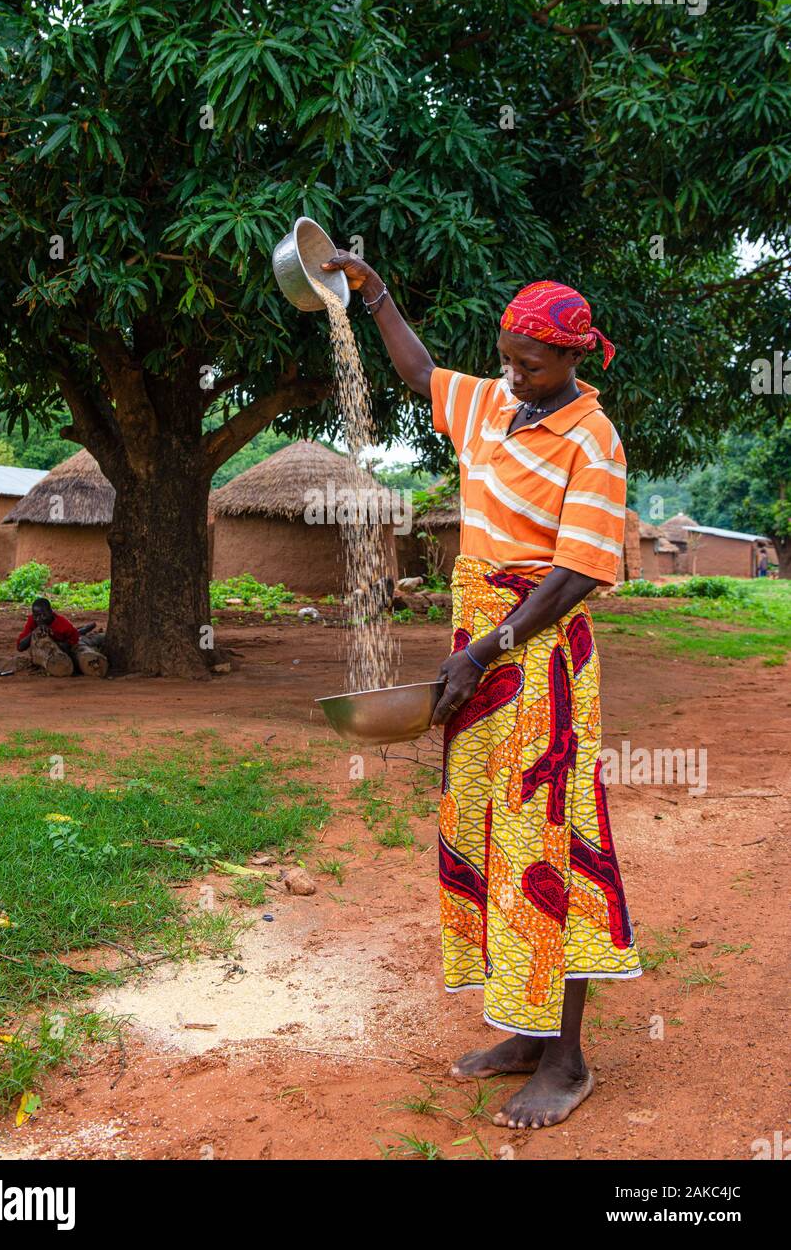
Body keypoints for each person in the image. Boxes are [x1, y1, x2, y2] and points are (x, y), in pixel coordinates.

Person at [322, 258, 641, 1130]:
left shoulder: (592, 439)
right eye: (504, 358)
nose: (511, 374)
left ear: (571, 357)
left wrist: (483, 652)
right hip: (479, 650)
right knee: (489, 831)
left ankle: (567, 1061)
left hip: (540, 662)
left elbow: (578, 571)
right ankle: (527, 1035)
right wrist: (374, 293)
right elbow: (421, 373)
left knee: (548, 843)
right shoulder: (492, 407)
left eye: (528, 363)